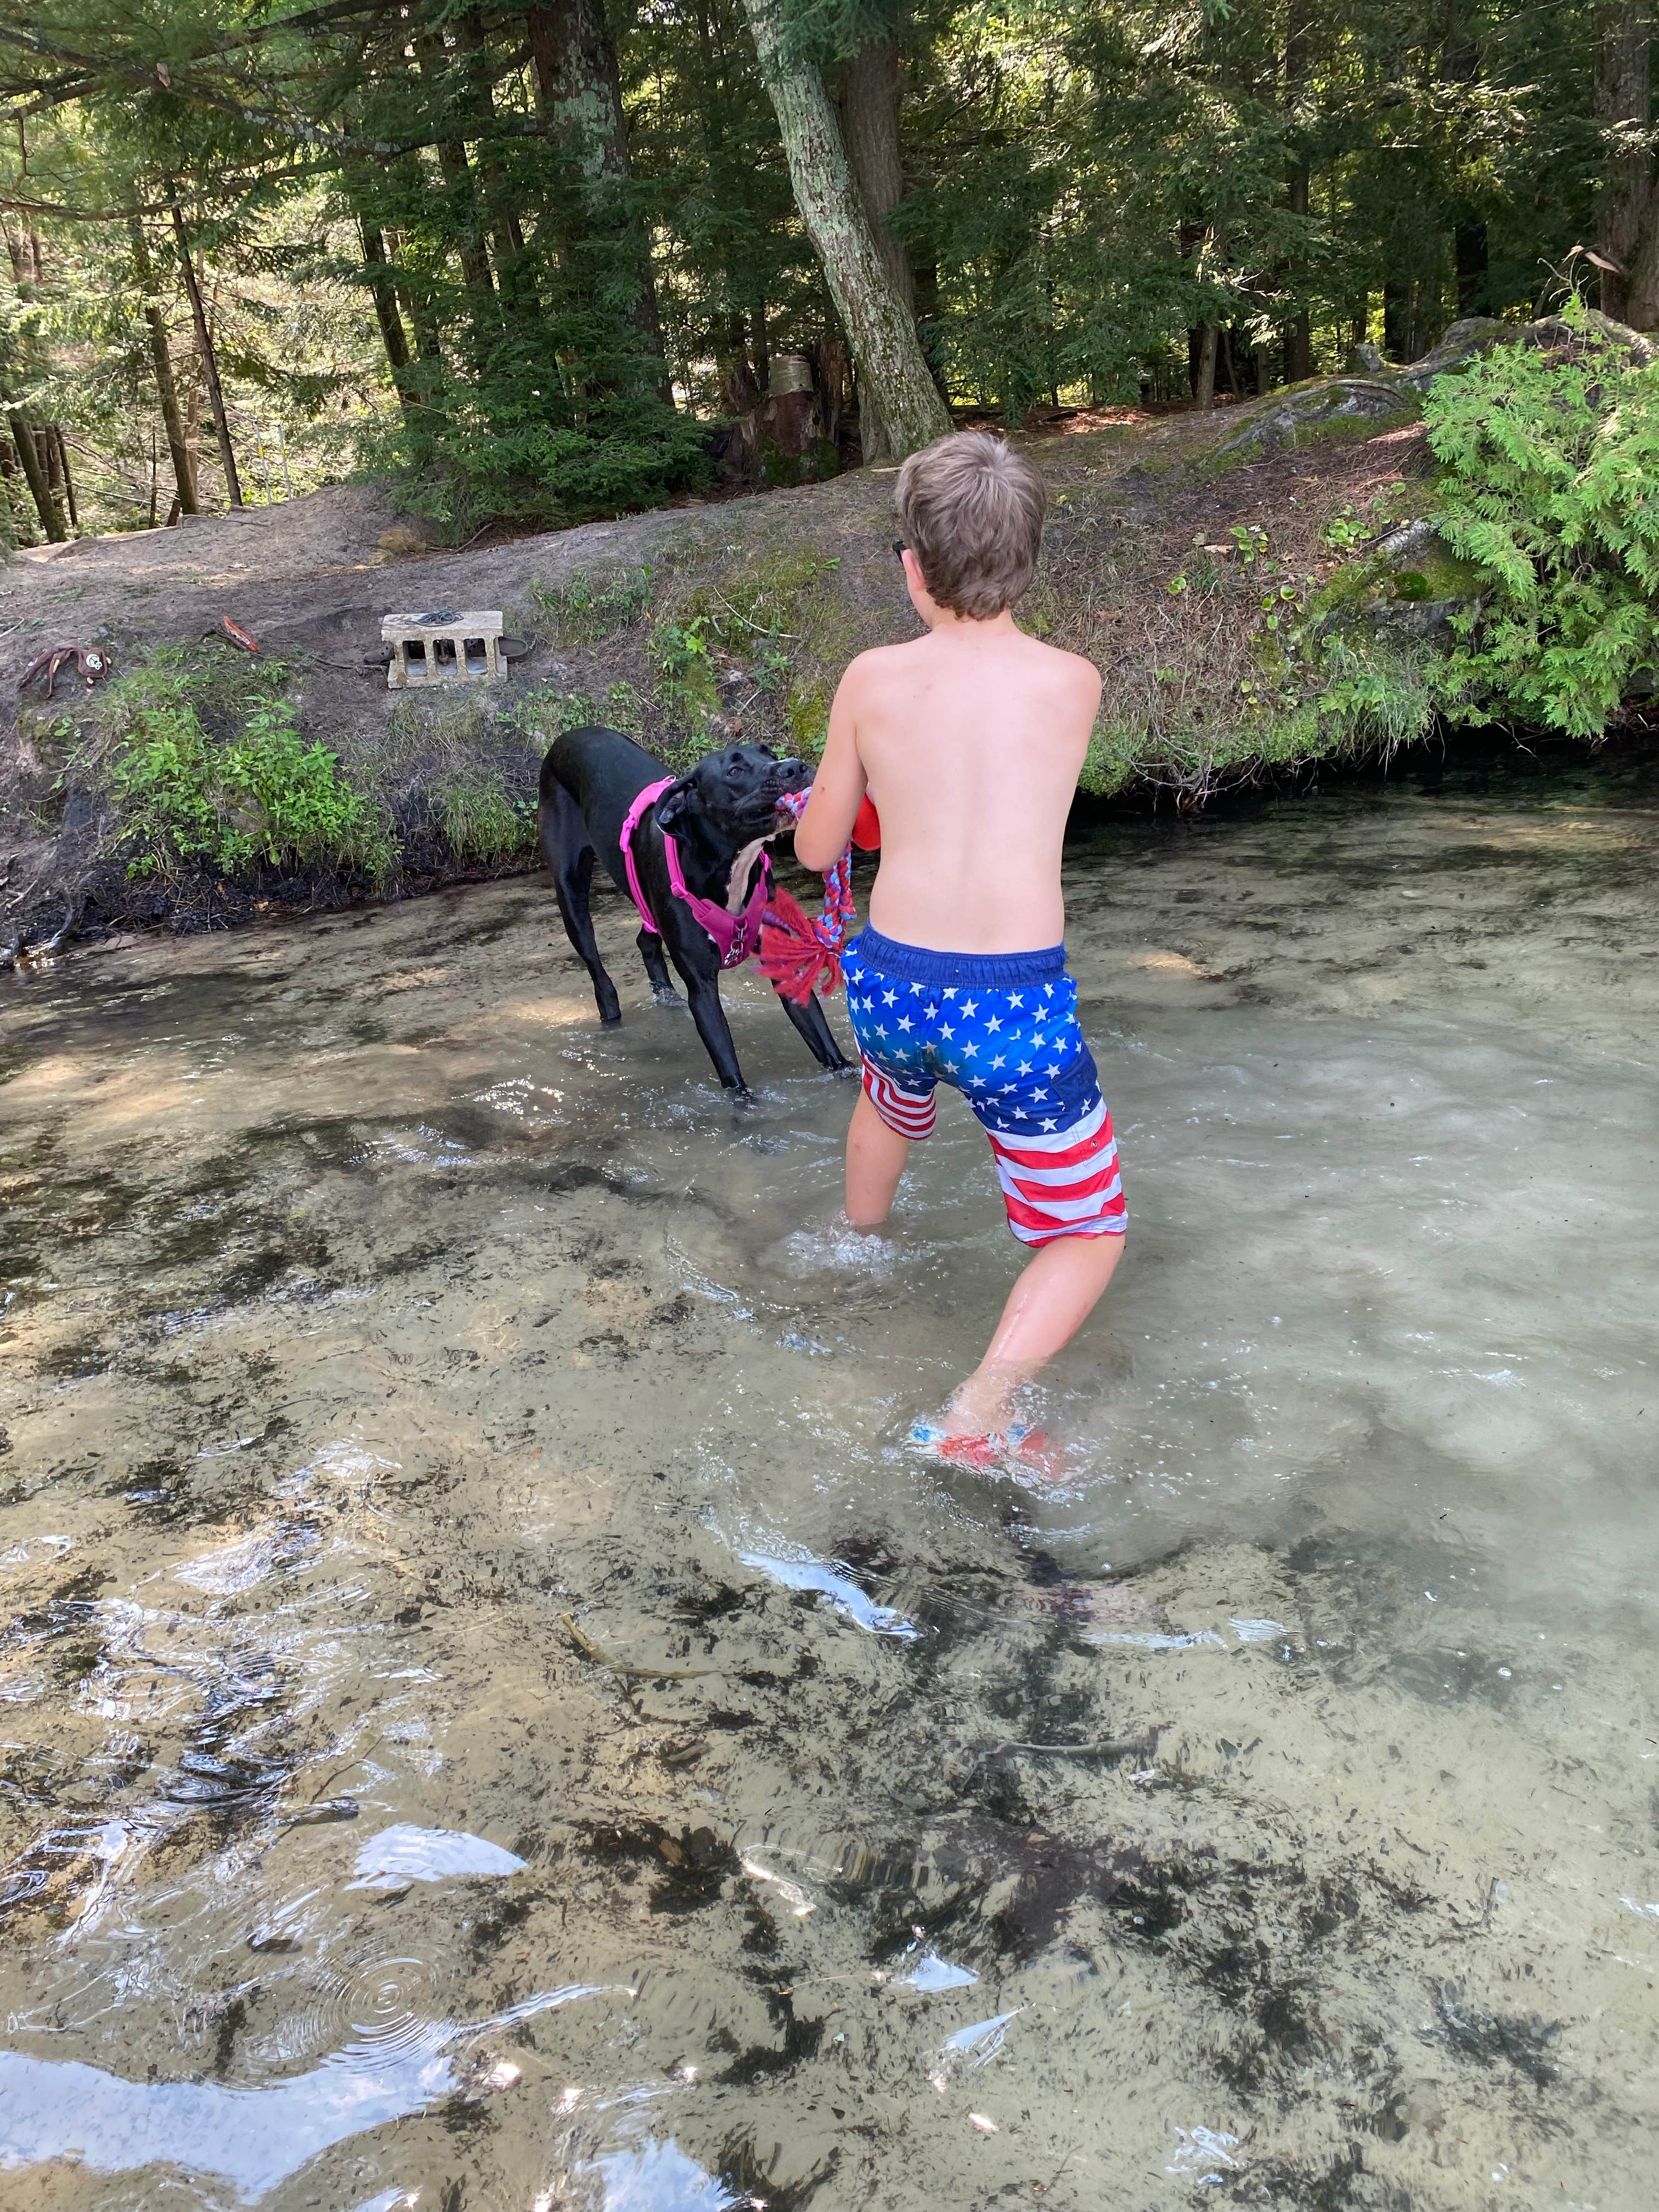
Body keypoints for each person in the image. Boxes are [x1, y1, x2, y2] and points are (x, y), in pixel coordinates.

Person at [793, 430, 1125, 1472]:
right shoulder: (1075, 681)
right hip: (1011, 1008)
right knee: (1087, 1229)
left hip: (890, 981)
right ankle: (979, 1409)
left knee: (890, 1097)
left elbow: (816, 845)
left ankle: (856, 1247)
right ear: (1027, 562)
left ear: (910, 567)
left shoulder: (870, 679)